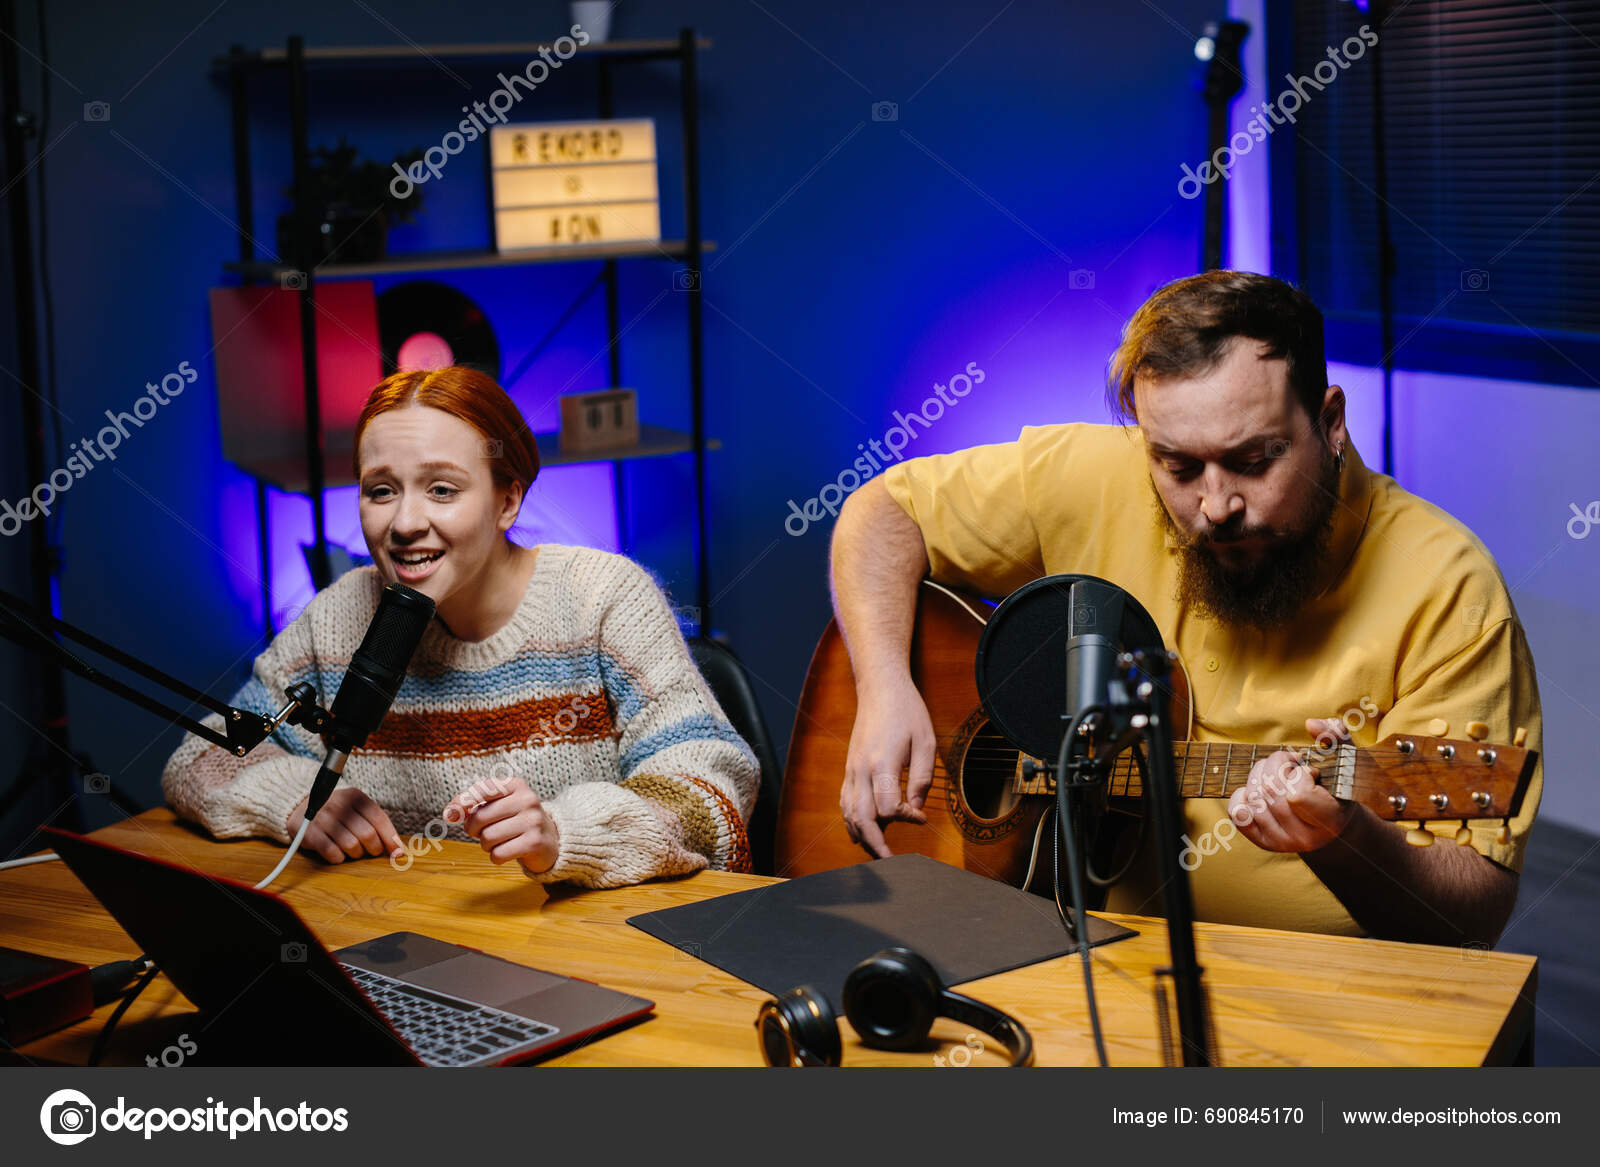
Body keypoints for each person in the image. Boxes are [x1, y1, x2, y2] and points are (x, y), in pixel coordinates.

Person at [832, 271, 1542, 945]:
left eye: (1256, 460)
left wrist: (1347, 840)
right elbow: (883, 514)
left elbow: (1469, 914)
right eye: (1178, 466)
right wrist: (886, 686)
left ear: (1329, 423)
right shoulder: (1099, 472)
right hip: (1089, 960)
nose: (1216, 506)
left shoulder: (1449, 586)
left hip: (1330, 1002)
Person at [163, 366, 757, 888]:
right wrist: (294, 801)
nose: (404, 522)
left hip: (592, 946)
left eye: (442, 489)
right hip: (409, 940)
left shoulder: (602, 599)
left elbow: (708, 789)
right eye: (381, 491)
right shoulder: (340, 615)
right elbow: (201, 760)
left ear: (507, 501)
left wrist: (564, 833)